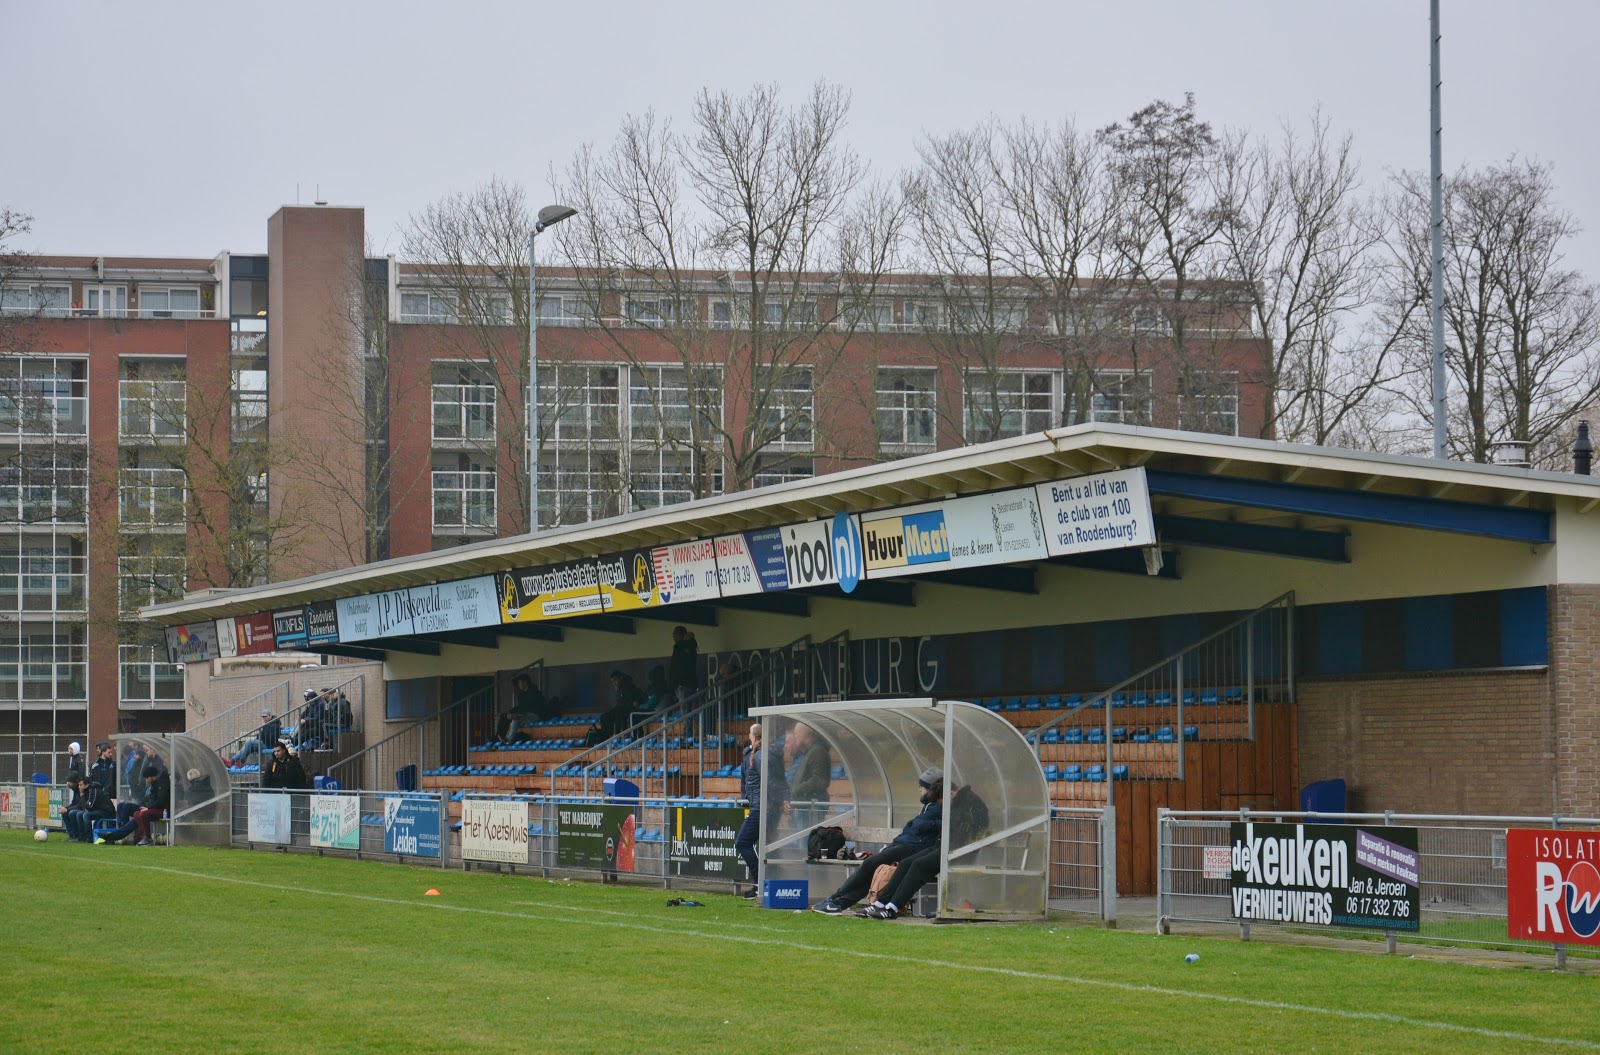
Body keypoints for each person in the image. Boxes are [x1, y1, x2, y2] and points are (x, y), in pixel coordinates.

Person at [813, 767, 944, 915]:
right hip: (905, 844)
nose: (919, 789)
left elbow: (924, 826)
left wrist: (926, 825)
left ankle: (838, 901)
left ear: (931, 788)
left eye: (922, 786)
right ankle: (836, 900)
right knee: (871, 865)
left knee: (871, 864)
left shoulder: (938, 806)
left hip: (913, 847)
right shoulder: (929, 806)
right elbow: (916, 826)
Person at [857, 784, 988, 919]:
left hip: (959, 850)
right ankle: (880, 903)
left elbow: (970, 830)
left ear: (950, 793)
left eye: (941, 802)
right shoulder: (960, 800)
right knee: (905, 863)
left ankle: (892, 908)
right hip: (943, 846)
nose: (942, 806)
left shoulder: (969, 802)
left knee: (919, 865)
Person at [733, 721, 789, 900]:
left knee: (742, 842)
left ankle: (760, 884)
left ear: (754, 737)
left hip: (762, 807)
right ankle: (769, 884)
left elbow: (770, 781)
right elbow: (748, 780)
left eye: (750, 734)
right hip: (762, 805)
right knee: (767, 843)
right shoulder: (758, 754)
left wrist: (780, 799)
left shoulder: (759, 756)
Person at [96, 765, 169, 845]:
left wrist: (148, 808)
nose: (147, 780)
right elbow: (149, 799)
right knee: (122, 806)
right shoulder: (154, 785)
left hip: (160, 810)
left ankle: (117, 836)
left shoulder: (161, 785)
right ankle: (118, 835)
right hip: (149, 807)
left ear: (151, 776)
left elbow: (160, 802)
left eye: (147, 778)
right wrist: (144, 806)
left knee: (137, 813)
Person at [786, 722, 832, 831]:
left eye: (797, 733)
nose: (795, 736)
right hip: (804, 807)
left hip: (811, 809)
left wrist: (797, 790)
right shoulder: (809, 752)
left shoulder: (817, 751)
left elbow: (819, 780)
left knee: (807, 845)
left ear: (805, 734)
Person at [62, 774, 113, 843]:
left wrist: (82, 796)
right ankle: (81, 837)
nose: (79, 787)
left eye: (81, 785)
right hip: (97, 809)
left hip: (106, 811)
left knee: (86, 815)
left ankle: (89, 838)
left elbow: (89, 806)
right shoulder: (85, 791)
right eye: (79, 785)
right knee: (79, 814)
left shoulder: (93, 790)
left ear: (86, 785)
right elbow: (84, 805)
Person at [497, 673, 546, 743]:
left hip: (537, 716)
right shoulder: (523, 694)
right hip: (527, 715)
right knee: (506, 716)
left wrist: (515, 714)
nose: (518, 684)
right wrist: (511, 712)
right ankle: (500, 736)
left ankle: (509, 740)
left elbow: (528, 708)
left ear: (525, 682)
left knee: (516, 717)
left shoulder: (534, 692)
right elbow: (521, 707)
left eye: (519, 682)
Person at [666, 626, 699, 704]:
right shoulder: (689, 646)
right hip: (683, 683)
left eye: (674, 634)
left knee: (685, 710)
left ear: (679, 635)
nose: (673, 637)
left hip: (684, 684)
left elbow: (680, 666)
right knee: (686, 709)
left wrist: (679, 682)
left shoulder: (682, 646)